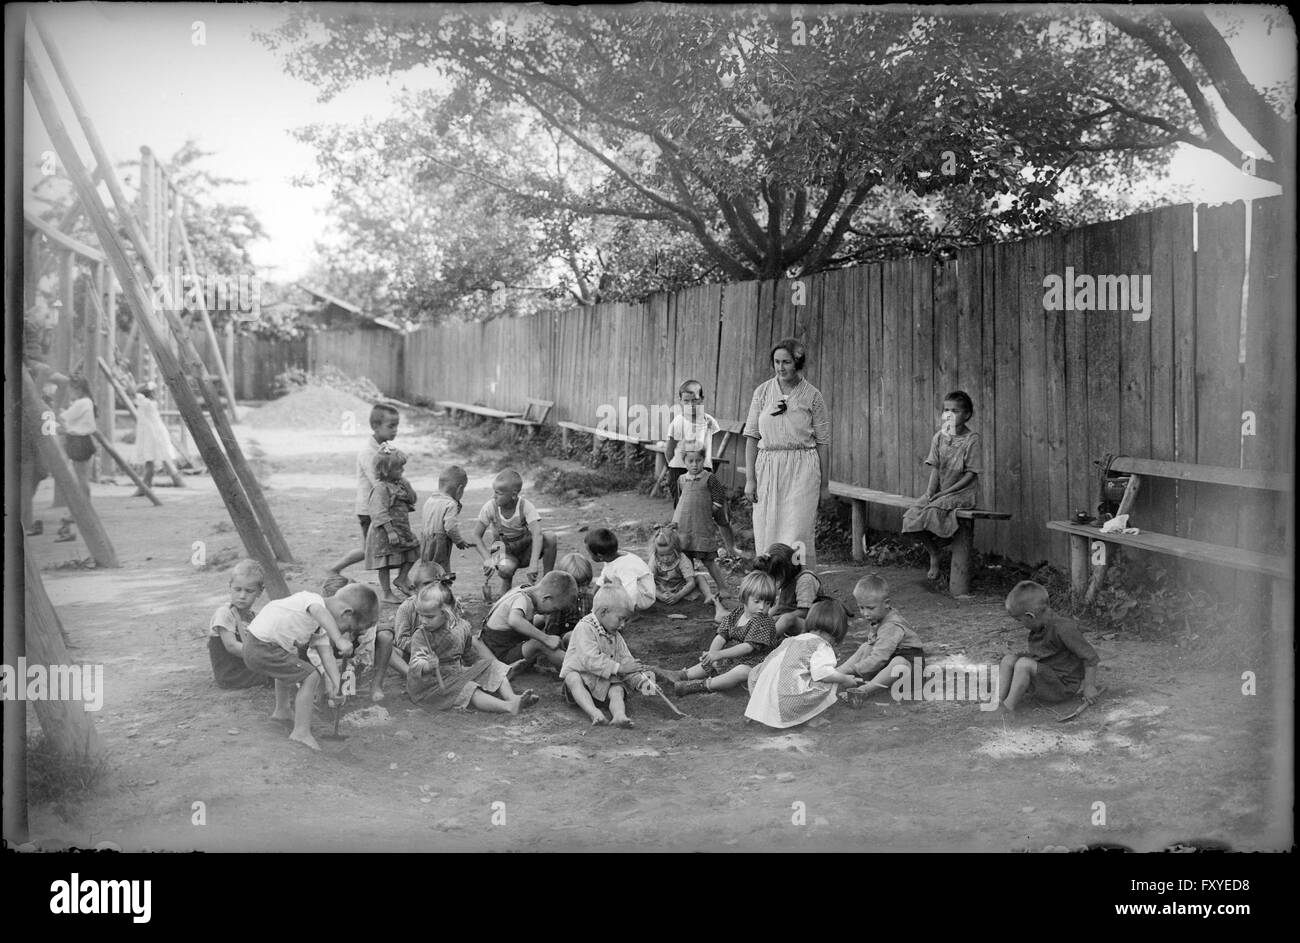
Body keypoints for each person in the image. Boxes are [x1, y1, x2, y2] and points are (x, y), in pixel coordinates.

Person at [241, 584, 378, 751]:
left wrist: (337, 686)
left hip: (261, 647)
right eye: (348, 629)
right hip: (260, 646)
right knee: (311, 676)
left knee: (289, 666)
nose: (346, 635)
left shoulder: (319, 627)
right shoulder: (313, 601)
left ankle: (282, 712)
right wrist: (339, 639)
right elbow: (319, 612)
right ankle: (301, 732)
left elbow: (326, 654)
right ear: (346, 613)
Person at [743, 337, 831, 568]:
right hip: (768, 467)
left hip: (803, 468)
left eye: (787, 362)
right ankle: (770, 589)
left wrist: (824, 485)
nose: (781, 367)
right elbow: (752, 436)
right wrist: (750, 480)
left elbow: (822, 442)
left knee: (797, 531)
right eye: (777, 362)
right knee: (767, 528)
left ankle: (801, 589)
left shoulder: (813, 396)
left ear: (798, 363)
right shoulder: (762, 392)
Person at [406, 583, 540, 714]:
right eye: (420, 615)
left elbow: (469, 655)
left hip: (454, 674)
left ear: (447, 613)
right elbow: (416, 662)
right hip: (430, 687)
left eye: (429, 616)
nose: (423, 621)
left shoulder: (462, 627)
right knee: (468, 688)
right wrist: (428, 665)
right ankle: (508, 706)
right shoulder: (421, 635)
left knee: (492, 665)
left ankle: (512, 697)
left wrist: (486, 670)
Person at [744, 599, 863, 729]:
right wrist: (844, 679)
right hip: (786, 704)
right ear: (838, 630)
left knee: (763, 670)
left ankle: (757, 709)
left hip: (761, 695)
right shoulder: (821, 645)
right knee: (829, 679)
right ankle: (813, 719)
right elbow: (823, 673)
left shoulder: (791, 640)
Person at [902, 391, 983, 580]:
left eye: (955, 411)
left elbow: (970, 475)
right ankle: (934, 551)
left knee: (932, 512)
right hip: (941, 492)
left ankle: (940, 554)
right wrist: (930, 493)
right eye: (946, 410)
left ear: (967, 415)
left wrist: (946, 492)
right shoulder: (939, 437)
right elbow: (936, 469)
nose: (949, 414)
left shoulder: (972, 440)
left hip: (962, 492)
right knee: (911, 518)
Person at [658, 571, 780, 696]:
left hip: (757, 665)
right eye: (757, 601)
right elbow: (721, 636)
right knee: (712, 662)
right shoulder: (737, 613)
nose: (762, 607)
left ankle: (702, 685)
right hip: (734, 659)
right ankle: (682, 675)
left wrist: (719, 654)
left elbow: (747, 647)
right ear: (744, 598)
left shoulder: (764, 622)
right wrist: (711, 654)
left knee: (741, 671)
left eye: (767, 603)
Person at [559, 585, 658, 727]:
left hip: (602, 682)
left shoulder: (616, 636)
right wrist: (619, 668)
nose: (623, 625)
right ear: (604, 612)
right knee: (572, 678)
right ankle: (594, 713)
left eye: (626, 620)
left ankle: (619, 715)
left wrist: (641, 682)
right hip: (583, 677)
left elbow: (627, 661)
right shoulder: (584, 628)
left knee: (617, 689)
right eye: (621, 619)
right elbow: (590, 659)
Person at [997, 581, 1100, 716]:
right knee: (1008, 659)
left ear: (1030, 616)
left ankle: (1007, 710)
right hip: (1047, 676)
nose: (1021, 625)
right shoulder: (1039, 626)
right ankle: (997, 701)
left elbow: (1090, 657)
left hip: (1062, 686)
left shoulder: (1064, 628)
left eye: (1020, 621)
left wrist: (1089, 686)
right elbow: (1045, 655)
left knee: (1023, 665)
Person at [328, 403, 400, 577]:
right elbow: (378, 481)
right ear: (375, 426)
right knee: (378, 548)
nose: (395, 430)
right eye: (391, 426)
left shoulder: (386, 448)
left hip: (379, 507)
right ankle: (335, 568)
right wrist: (398, 493)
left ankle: (335, 568)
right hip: (370, 509)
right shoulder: (369, 452)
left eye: (397, 426)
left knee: (375, 547)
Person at [373, 560, 455, 701]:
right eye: (426, 585)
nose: (431, 589)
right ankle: (409, 674)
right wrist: (421, 647)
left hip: (439, 654)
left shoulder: (448, 605)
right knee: (390, 650)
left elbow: (454, 629)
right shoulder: (407, 607)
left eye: (436, 585)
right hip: (411, 655)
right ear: (415, 588)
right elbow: (400, 640)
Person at [471, 469, 557, 601]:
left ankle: (547, 583)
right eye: (494, 492)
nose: (494, 496)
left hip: (525, 550)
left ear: (513, 494)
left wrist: (534, 564)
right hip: (505, 552)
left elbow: (537, 534)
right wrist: (488, 559)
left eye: (498, 493)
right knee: (506, 569)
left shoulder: (525, 506)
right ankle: (505, 590)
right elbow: (476, 536)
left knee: (550, 537)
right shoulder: (490, 507)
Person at [841, 574, 926, 704]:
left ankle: (865, 690)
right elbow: (873, 648)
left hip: (912, 675)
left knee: (899, 662)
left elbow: (879, 658)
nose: (865, 613)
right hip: (889, 663)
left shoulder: (891, 626)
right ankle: (837, 672)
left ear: (886, 604)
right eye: (861, 607)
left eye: (870, 608)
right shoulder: (878, 617)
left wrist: (854, 669)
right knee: (866, 646)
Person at [671, 448, 735, 607]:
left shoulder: (710, 478)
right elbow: (681, 501)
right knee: (686, 559)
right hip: (684, 526)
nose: (694, 465)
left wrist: (711, 509)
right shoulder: (681, 479)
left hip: (701, 525)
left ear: (703, 460)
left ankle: (723, 588)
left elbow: (719, 497)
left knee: (708, 559)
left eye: (698, 461)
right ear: (684, 462)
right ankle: (691, 589)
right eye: (690, 461)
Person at [481, 571, 578, 672]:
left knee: (540, 620)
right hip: (499, 654)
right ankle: (576, 668)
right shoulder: (522, 600)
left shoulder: (525, 589)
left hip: (499, 641)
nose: (552, 613)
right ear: (546, 598)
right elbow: (514, 621)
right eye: (555, 609)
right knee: (540, 644)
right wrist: (546, 638)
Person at [20, 347, 67, 535]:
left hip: (24, 421)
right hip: (35, 421)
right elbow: (64, 382)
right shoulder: (37, 367)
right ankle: (25, 521)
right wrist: (54, 409)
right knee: (35, 471)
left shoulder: (34, 367)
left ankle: (26, 521)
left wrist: (37, 398)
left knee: (30, 472)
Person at [365, 445, 419, 604]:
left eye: (402, 467)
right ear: (385, 471)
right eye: (398, 468)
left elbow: (412, 500)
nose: (402, 471)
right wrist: (390, 531)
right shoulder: (381, 488)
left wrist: (407, 486)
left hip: (401, 528)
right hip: (384, 531)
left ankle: (401, 579)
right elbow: (378, 512)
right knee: (385, 563)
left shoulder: (399, 484)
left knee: (415, 549)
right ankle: (387, 593)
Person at [206, 559, 271, 689]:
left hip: (247, 666)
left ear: (260, 591)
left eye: (249, 591)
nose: (242, 595)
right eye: (237, 589)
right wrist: (263, 658)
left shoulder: (253, 617)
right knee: (277, 672)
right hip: (232, 674)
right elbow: (232, 646)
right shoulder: (225, 614)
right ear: (230, 586)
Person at [647, 523, 729, 622]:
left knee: (699, 578)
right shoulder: (654, 559)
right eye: (662, 555)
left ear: (676, 550)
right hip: (662, 588)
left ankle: (708, 595)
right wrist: (659, 595)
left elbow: (690, 582)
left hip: (681, 587)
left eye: (669, 554)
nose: (665, 558)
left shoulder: (682, 559)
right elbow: (649, 581)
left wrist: (678, 596)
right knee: (645, 585)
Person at [419, 465, 484, 573]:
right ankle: (441, 589)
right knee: (442, 570)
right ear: (459, 489)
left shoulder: (430, 500)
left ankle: (425, 587)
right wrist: (459, 541)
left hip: (425, 540)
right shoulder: (450, 504)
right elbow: (450, 527)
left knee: (427, 569)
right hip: (439, 543)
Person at [754, 542, 824, 636]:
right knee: (762, 617)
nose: (776, 580)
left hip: (814, 627)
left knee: (787, 618)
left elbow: (805, 612)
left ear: (786, 569)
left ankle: (762, 641)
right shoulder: (788, 579)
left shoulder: (805, 580)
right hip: (793, 623)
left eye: (776, 576)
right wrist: (765, 617)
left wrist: (779, 618)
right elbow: (780, 605)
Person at [585, 528, 655, 612]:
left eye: (590, 553)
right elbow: (603, 576)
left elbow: (631, 592)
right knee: (608, 582)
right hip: (632, 588)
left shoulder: (624, 567)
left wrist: (625, 611)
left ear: (600, 556)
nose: (589, 556)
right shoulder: (610, 556)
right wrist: (592, 595)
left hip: (644, 597)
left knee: (610, 587)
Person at [132, 382, 181, 495]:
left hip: (153, 435)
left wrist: (129, 381)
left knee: (150, 461)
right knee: (150, 461)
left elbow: (134, 393)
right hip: (152, 434)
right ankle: (146, 486)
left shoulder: (147, 403)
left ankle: (144, 487)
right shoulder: (147, 403)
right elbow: (135, 394)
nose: (156, 394)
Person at [542, 552, 595, 645]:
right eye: (577, 586)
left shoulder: (591, 599)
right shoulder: (559, 603)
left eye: (584, 585)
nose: (581, 590)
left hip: (588, 636)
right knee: (572, 636)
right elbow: (552, 629)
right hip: (566, 638)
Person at [59, 375, 97, 496]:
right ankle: (85, 508)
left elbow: (65, 417)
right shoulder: (86, 401)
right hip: (82, 440)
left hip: (79, 441)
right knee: (81, 477)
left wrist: (56, 410)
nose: (69, 393)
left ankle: (85, 509)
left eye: (70, 390)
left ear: (78, 389)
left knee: (80, 478)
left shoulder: (82, 402)